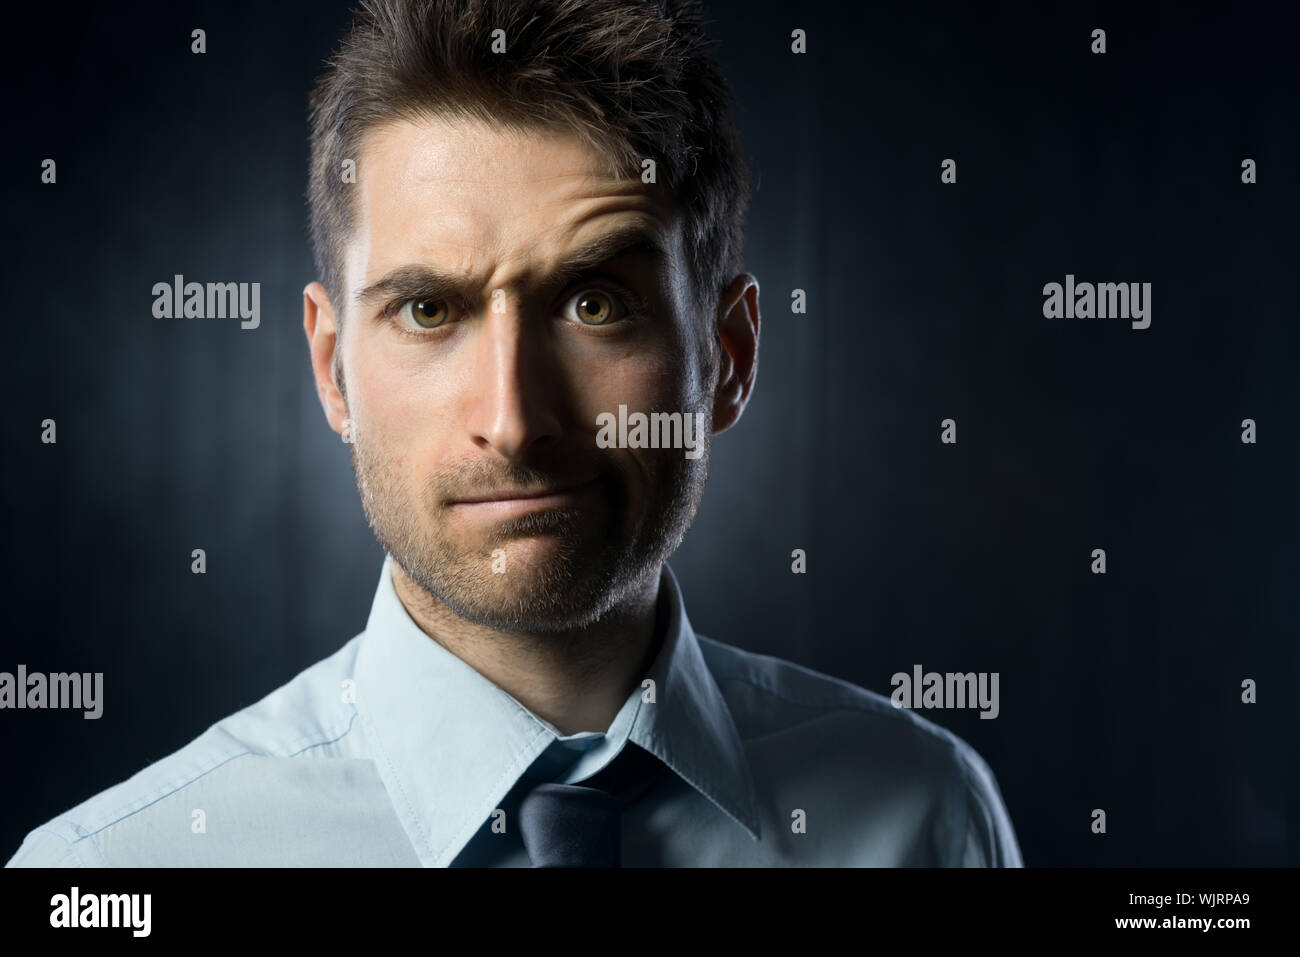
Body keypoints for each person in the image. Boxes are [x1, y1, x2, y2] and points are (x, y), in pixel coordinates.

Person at [7, 0, 1021, 867]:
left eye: (593, 304)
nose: (514, 421)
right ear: (332, 368)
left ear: (726, 355)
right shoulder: (110, 875)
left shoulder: (926, 819)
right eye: (428, 311)